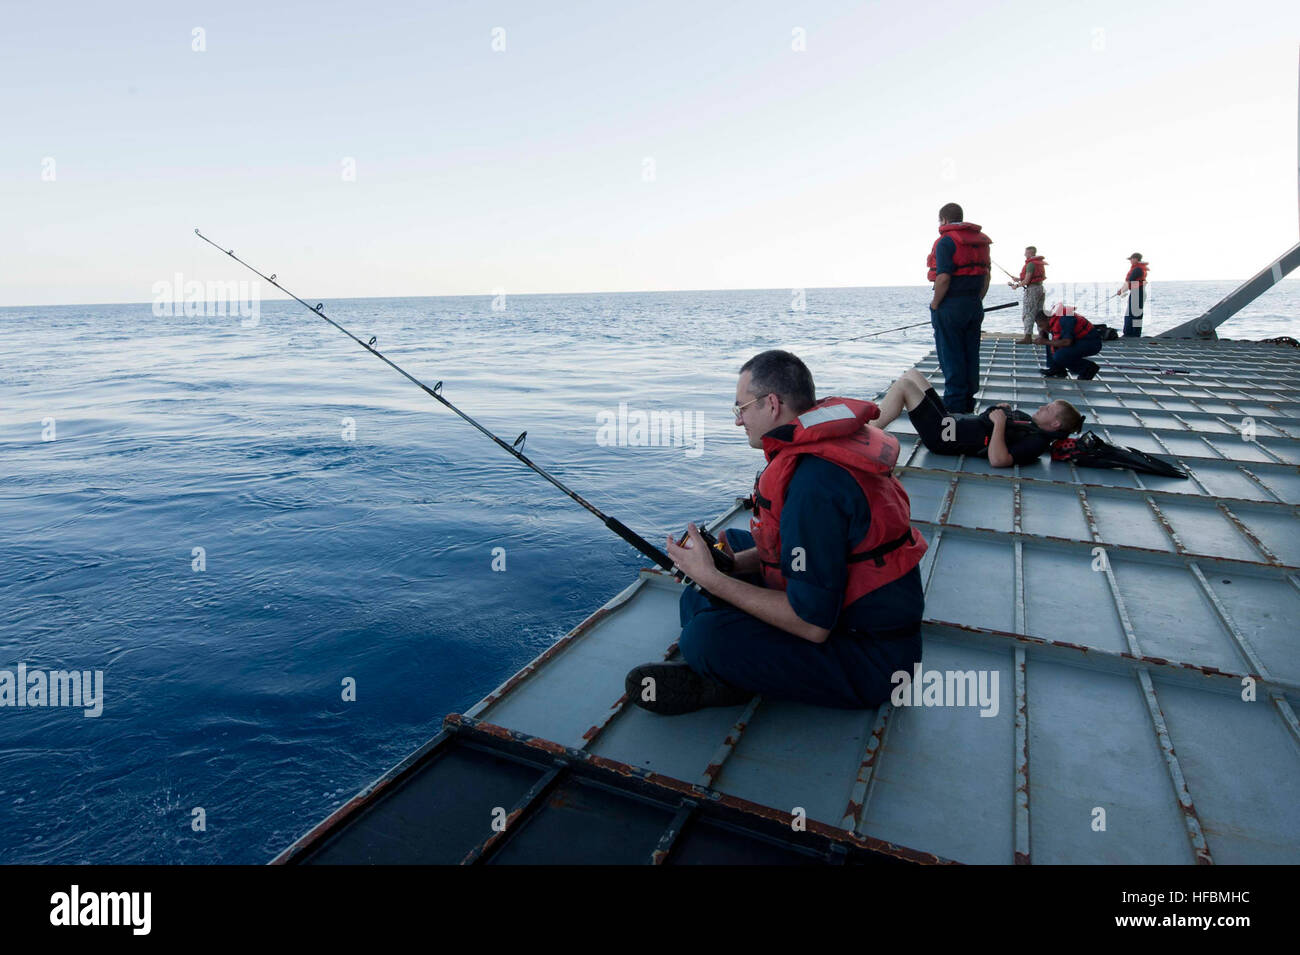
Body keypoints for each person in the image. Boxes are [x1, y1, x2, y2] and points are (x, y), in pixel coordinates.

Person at [624, 350, 927, 715]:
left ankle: (727, 675)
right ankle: (738, 661)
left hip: (874, 660)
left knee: (704, 637)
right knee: (726, 557)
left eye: (741, 409)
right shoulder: (821, 453)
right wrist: (727, 568)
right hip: (849, 603)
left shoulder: (812, 483)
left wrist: (714, 580)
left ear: (771, 404)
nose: (738, 422)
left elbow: (812, 625)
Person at [873, 368, 1083, 467]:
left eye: (1048, 409)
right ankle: (870, 424)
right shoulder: (1032, 425)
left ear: (1055, 424)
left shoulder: (1036, 442)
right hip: (950, 422)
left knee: (905, 386)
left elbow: (999, 460)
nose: (1042, 407)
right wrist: (1003, 411)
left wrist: (999, 424)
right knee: (912, 374)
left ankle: (869, 428)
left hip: (943, 437)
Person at [926, 202, 991, 414]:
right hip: (973, 304)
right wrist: (977, 299)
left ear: (943, 220)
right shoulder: (980, 243)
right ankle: (967, 402)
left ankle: (954, 406)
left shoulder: (946, 242)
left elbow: (943, 277)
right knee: (970, 353)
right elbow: (987, 276)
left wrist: (935, 304)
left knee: (951, 354)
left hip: (951, 305)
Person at [1035, 303, 1103, 379]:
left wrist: (1044, 341)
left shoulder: (1065, 320)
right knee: (1048, 340)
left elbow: (1067, 342)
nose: (1041, 328)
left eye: (1041, 325)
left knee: (1060, 355)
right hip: (1078, 340)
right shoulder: (1053, 318)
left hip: (1091, 342)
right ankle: (1056, 368)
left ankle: (1088, 368)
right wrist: (1041, 335)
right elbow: (1044, 331)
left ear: (1047, 319)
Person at [1007, 246, 1047, 344]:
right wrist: (1019, 279)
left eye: (1026, 253)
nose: (1024, 254)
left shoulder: (1030, 264)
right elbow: (1030, 278)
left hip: (1032, 290)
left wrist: (1016, 286)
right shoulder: (1038, 263)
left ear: (1030, 253)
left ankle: (1028, 337)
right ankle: (1042, 336)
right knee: (1039, 313)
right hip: (1040, 289)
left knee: (1028, 313)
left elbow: (1027, 280)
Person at [1115, 253, 1149, 337]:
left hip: (1137, 292)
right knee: (1136, 314)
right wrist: (1122, 291)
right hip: (1138, 291)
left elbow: (1129, 281)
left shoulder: (1137, 269)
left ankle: (1129, 334)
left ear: (1136, 259)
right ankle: (1135, 334)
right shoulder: (1140, 268)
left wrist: (1121, 291)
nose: (1130, 261)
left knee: (1131, 314)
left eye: (1131, 259)